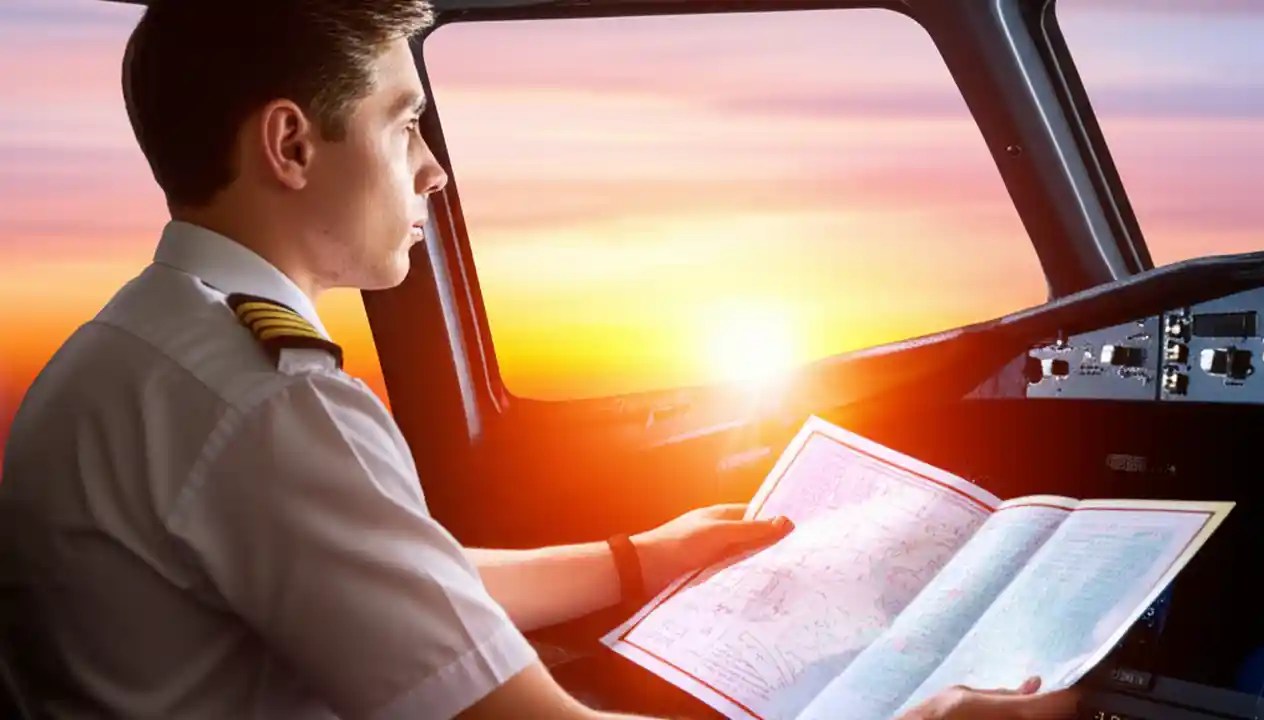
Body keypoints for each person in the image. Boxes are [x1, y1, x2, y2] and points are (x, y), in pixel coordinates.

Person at [0, 1, 1080, 719]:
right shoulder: (269, 403)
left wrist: (637, 559)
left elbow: (388, 582)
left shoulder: (134, 347)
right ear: (289, 146)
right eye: (401, 122)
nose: (431, 172)